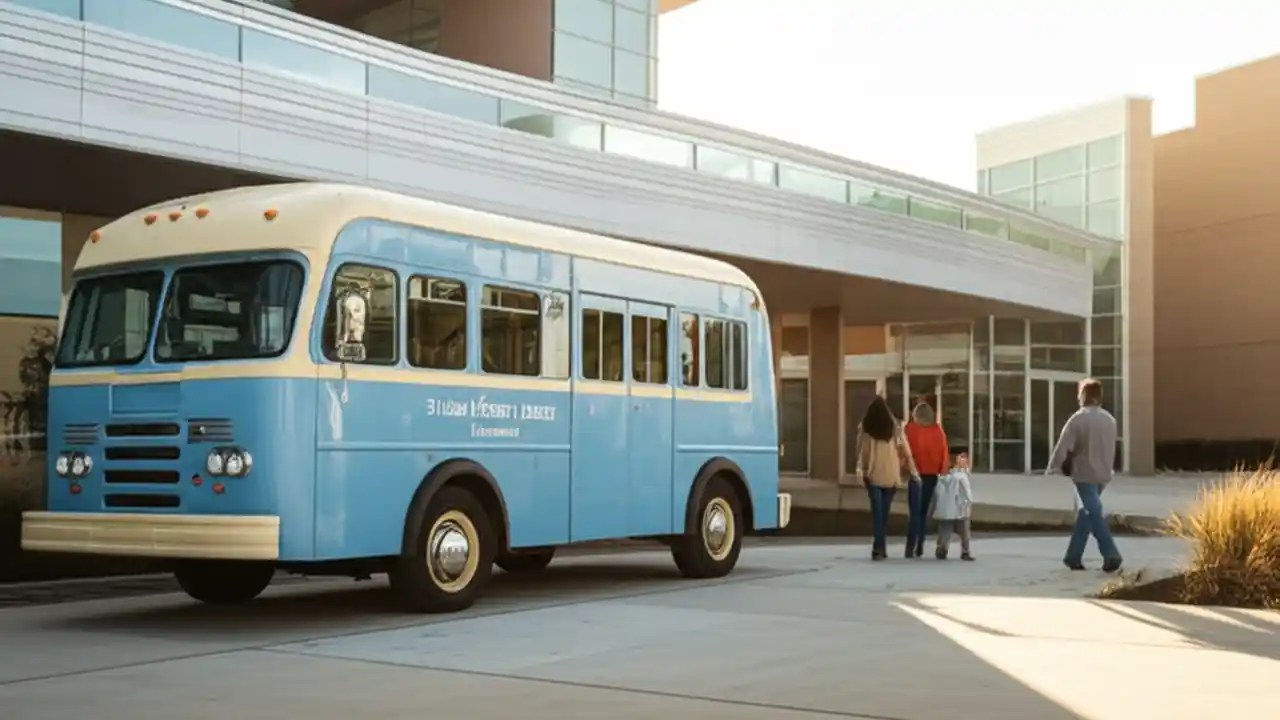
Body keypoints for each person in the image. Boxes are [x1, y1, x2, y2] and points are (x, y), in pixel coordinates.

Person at [1047, 378, 1122, 573]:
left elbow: (1064, 446)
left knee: (1093, 513)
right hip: (1103, 475)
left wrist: (1054, 467)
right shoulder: (1110, 420)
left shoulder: (1078, 419)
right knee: (1087, 514)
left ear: (1083, 396)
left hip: (1084, 474)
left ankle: (1111, 554)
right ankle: (1073, 557)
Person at [855, 395, 921, 561]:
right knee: (884, 514)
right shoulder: (896, 429)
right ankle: (880, 546)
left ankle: (879, 547)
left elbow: (860, 451)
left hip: (873, 475)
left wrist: (861, 470)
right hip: (891, 477)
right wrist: (914, 472)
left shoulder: (865, 429)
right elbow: (907, 452)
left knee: (877, 514)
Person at [904, 401, 949, 558]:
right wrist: (943, 472)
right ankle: (920, 546)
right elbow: (944, 453)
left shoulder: (909, 430)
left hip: (915, 475)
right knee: (923, 513)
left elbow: (903, 452)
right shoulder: (938, 431)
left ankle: (910, 546)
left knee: (914, 512)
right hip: (931, 475)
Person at [933, 449, 974, 561]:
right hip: (961, 508)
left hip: (947, 509)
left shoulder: (944, 477)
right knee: (964, 532)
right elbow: (967, 493)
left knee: (945, 530)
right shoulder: (961, 477)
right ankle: (965, 552)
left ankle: (942, 549)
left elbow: (938, 493)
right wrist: (969, 503)